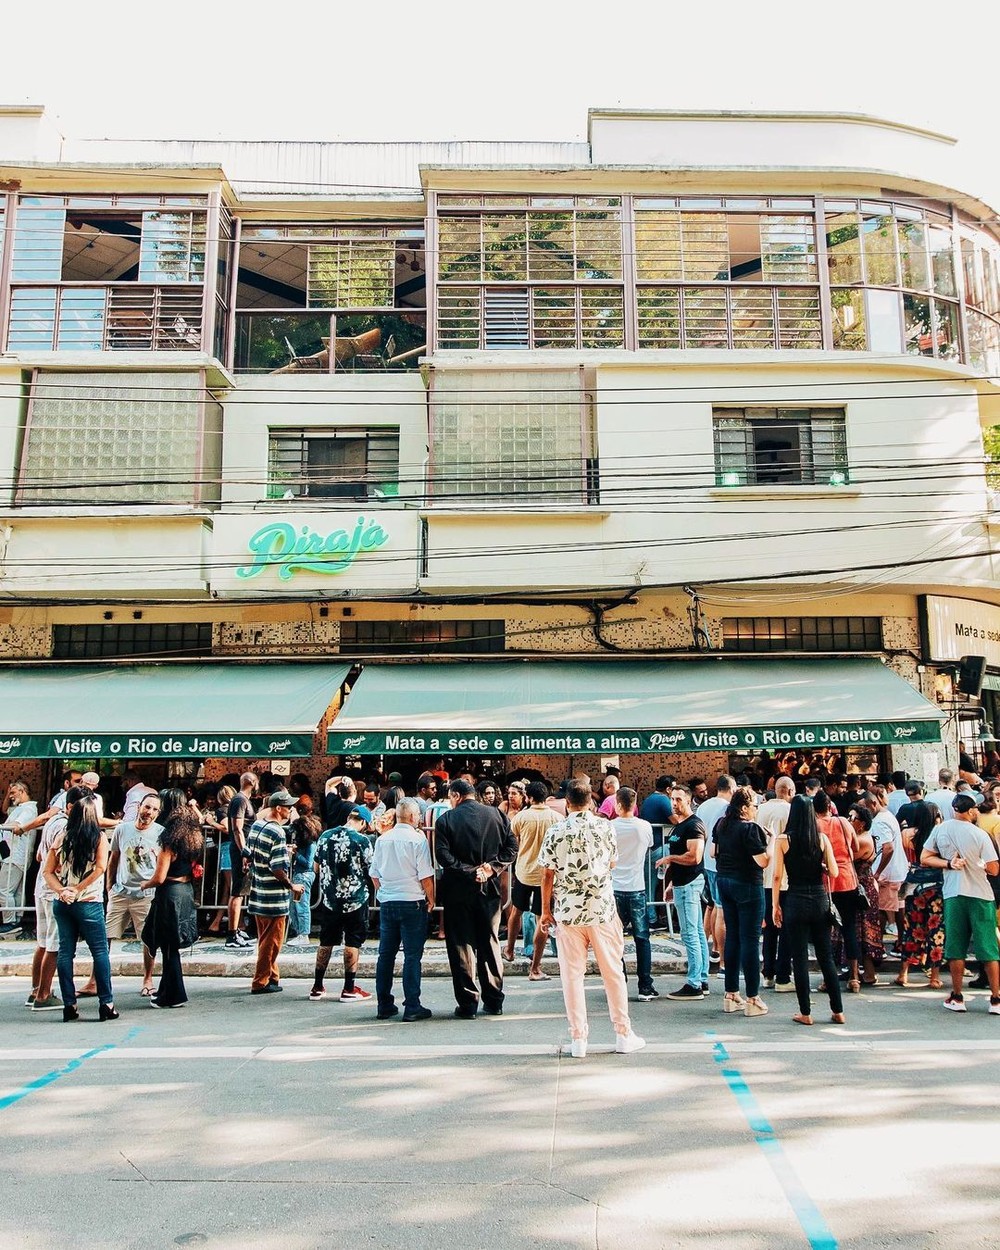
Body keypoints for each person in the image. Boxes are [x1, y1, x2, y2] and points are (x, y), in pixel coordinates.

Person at [538, 779, 645, 1058]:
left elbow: (547, 874)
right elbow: (612, 862)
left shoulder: (556, 831)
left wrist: (545, 910)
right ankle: (623, 1033)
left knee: (572, 976)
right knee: (612, 973)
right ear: (591, 801)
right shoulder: (604, 827)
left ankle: (578, 1040)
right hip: (602, 909)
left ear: (567, 802)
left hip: (569, 912)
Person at [434, 779, 517, 1018]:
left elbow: (443, 855)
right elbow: (512, 847)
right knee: (489, 942)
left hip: (458, 889)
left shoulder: (446, 820)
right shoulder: (497, 816)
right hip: (489, 887)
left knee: (461, 945)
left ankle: (468, 1002)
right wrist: (492, 868)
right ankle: (494, 999)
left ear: (456, 795)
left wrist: (469, 871)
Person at [920, 794, 1000, 1013]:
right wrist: (979, 864)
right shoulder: (980, 834)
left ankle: (957, 995)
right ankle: (996, 998)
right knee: (989, 949)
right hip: (981, 895)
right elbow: (994, 869)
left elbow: (925, 857)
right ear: (971, 810)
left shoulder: (941, 830)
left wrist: (948, 863)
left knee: (956, 948)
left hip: (954, 893)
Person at [42, 794, 118, 1022]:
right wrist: (77, 889)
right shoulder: (99, 838)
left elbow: (47, 871)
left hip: (63, 903)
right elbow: (101, 868)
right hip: (89, 901)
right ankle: (106, 1003)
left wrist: (62, 890)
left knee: (66, 953)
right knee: (100, 951)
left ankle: (69, 1004)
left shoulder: (63, 837)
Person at [771, 795, 845, 1026]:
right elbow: (834, 872)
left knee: (800, 958)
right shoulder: (821, 838)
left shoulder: (783, 840)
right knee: (826, 957)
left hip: (795, 899)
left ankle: (806, 1012)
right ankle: (838, 1010)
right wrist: (821, 865)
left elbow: (776, 876)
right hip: (820, 901)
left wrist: (775, 905)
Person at [370, 797, 435, 1021]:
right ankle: (412, 1004)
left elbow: (374, 874)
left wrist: (382, 892)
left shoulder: (383, 840)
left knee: (385, 955)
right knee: (412, 955)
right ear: (413, 816)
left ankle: (383, 1003)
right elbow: (426, 875)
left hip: (388, 901)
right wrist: (431, 899)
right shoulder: (418, 840)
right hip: (412, 901)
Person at [28, 786, 89, 1012]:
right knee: (54, 945)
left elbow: (40, 855)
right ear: (71, 807)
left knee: (43, 942)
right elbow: (60, 861)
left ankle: (36, 989)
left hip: (42, 886)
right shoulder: (65, 827)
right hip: (55, 888)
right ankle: (43, 994)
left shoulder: (52, 823)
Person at [711, 785, 770, 1017]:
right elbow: (763, 861)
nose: (756, 809)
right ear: (745, 807)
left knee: (733, 935)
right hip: (748, 884)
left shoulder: (721, 825)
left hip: (724, 881)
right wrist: (772, 841)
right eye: (754, 805)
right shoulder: (751, 829)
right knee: (750, 940)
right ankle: (753, 997)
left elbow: (714, 852)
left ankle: (731, 993)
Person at [142, 790, 203, 1009]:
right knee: (171, 947)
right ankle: (168, 990)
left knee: (168, 947)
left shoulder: (169, 840)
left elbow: (159, 877)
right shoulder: (193, 836)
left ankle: (173, 994)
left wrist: (145, 884)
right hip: (185, 890)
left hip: (169, 893)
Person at [103, 792, 162, 997]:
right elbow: (114, 858)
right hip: (121, 892)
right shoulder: (122, 829)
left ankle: (148, 979)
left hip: (146, 894)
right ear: (139, 807)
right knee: (106, 936)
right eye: (147, 807)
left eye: (155, 809)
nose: (150, 812)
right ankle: (97, 979)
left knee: (147, 939)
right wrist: (109, 886)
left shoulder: (160, 833)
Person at [310, 808, 373, 1002]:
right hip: (356, 899)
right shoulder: (362, 841)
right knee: (353, 942)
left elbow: (316, 867)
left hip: (330, 899)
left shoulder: (325, 836)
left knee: (326, 941)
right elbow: (371, 869)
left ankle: (317, 986)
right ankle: (349, 988)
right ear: (363, 822)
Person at [245, 789, 304, 995]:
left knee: (265, 939)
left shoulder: (257, 826)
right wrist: (291, 885)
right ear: (279, 808)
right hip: (273, 895)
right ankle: (260, 981)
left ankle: (272, 975)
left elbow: (249, 852)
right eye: (288, 807)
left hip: (258, 889)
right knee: (273, 941)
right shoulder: (278, 832)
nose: (291, 810)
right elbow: (277, 868)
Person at [656, 783, 709, 1000]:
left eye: (679, 799)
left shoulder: (693, 825)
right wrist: (670, 884)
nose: (675, 803)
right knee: (696, 932)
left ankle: (695, 982)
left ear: (688, 800)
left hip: (689, 883)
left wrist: (669, 859)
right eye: (672, 799)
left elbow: (694, 856)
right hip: (681, 883)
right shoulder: (680, 825)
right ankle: (701, 978)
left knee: (690, 933)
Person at [503, 780, 559, 979]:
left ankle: (509, 950)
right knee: (541, 919)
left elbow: (511, 839)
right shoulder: (557, 818)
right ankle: (535, 967)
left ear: (529, 797)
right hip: (547, 875)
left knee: (516, 911)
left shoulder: (521, 817)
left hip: (524, 871)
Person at [813, 789, 863, 993]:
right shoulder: (843, 822)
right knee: (849, 929)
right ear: (829, 806)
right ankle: (854, 977)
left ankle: (828, 978)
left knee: (825, 933)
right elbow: (856, 847)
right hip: (848, 880)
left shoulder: (814, 826)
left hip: (826, 883)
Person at [895, 782, 945, 990]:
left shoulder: (908, 835)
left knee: (912, 930)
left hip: (914, 886)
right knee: (936, 930)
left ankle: (904, 973)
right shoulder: (940, 835)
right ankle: (934, 976)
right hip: (936, 886)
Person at [610, 787, 656, 1001]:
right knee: (642, 938)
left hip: (614, 888)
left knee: (615, 939)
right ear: (635, 805)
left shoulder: (609, 827)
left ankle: (619, 983)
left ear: (618, 805)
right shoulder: (644, 827)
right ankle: (645, 986)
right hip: (637, 887)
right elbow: (649, 846)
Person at [757, 776, 794, 992]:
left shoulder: (759, 810)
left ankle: (767, 973)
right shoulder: (790, 812)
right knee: (786, 927)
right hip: (785, 877)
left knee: (769, 927)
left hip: (763, 875)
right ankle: (783, 976)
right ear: (789, 790)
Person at [696, 775, 735, 975]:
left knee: (710, 906)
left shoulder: (704, 806)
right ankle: (723, 962)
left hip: (705, 861)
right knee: (721, 910)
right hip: (719, 862)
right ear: (731, 788)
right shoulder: (726, 808)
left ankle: (710, 950)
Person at [846, 804, 884, 985]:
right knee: (861, 930)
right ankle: (861, 972)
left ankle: (867, 973)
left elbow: (846, 858)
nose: (849, 820)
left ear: (861, 823)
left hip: (862, 889)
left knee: (863, 930)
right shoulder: (860, 837)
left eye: (852, 818)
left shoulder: (863, 840)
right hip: (862, 886)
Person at [0, 781, 39, 935]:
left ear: (22, 791)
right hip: (12, 854)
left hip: (16, 854)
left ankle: (10, 921)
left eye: (13, 793)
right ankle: (15, 920)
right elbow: (4, 809)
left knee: (4, 889)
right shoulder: (21, 808)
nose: (11, 796)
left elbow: (17, 826)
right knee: (15, 890)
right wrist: (8, 791)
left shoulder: (28, 809)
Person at [225, 772, 258, 948]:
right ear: (252, 782)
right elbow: (237, 828)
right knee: (237, 892)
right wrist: (244, 851)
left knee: (241, 891)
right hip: (240, 850)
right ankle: (231, 935)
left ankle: (236, 930)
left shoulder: (243, 800)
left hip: (242, 849)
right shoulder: (239, 800)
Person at [286, 811, 320, 946]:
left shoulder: (311, 845)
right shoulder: (307, 843)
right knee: (294, 905)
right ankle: (299, 932)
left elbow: (308, 863)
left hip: (303, 875)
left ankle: (303, 933)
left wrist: (295, 853)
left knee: (301, 905)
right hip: (300, 875)